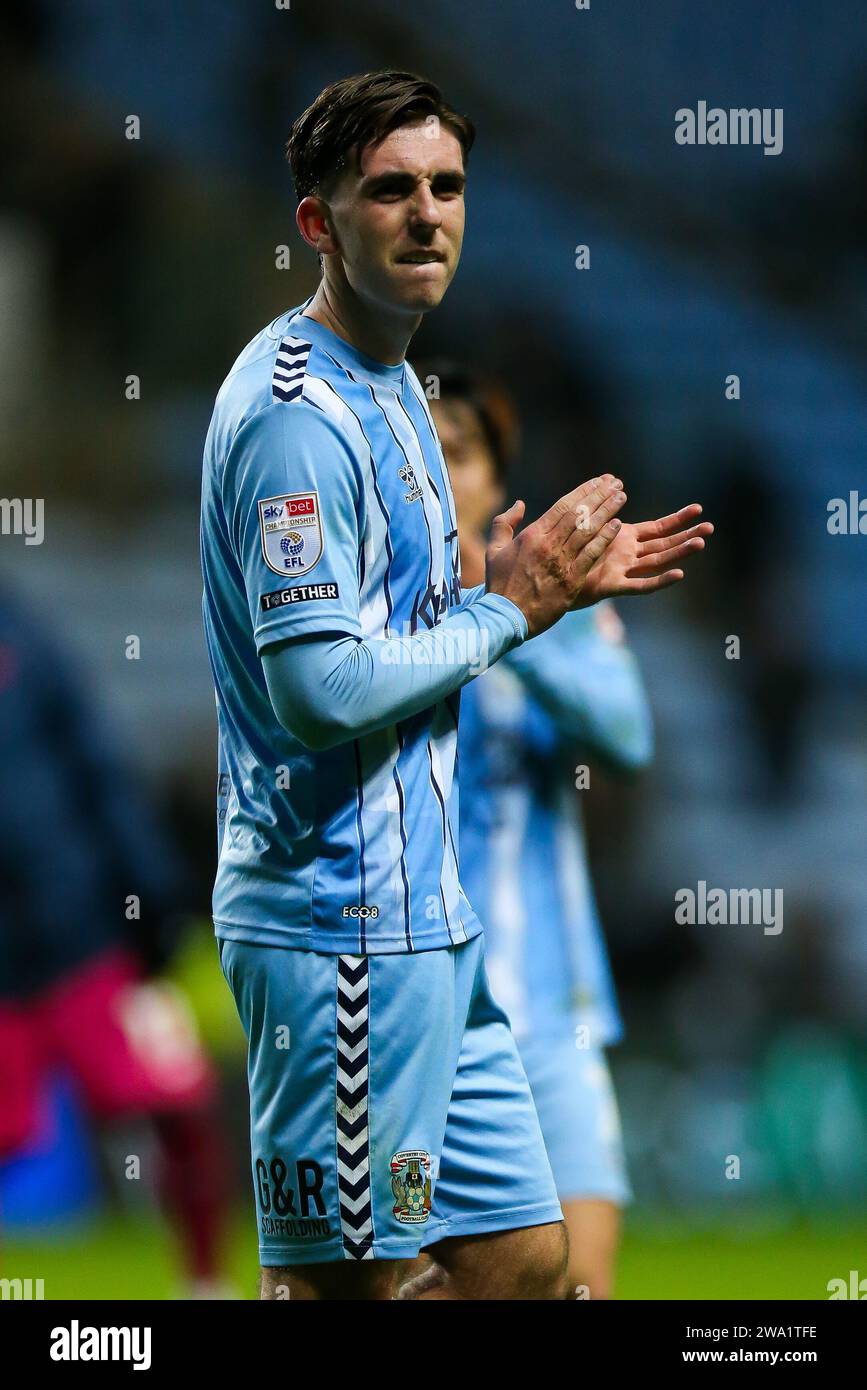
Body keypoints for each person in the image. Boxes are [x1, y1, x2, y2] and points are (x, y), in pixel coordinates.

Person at [199, 68, 711, 1301]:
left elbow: (436, 641)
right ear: (319, 222)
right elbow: (320, 688)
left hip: (430, 921)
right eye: (391, 191)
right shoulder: (297, 417)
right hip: (340, 923)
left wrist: (543, 602)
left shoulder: (402, 392)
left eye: (448, 187)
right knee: (351, 1284)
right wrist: (509, 607)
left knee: (523, 1258)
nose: (428, 213)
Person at [419, 361, 657, 1298]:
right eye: (423, 451)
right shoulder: (382, 606)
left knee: (580, 1286)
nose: (441, 470)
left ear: (494, 477)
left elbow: (627, 734)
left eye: (460, 452)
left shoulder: (560, 607)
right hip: (423, 1002)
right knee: (431, 1281)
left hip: (552, 1006)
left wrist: (511, 613)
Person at [0, 585, 231, 1298]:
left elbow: (98, 769)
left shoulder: (23, 639)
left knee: (175, 1100)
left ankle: (204, 1281)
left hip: (84, 939)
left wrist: (153, 905)